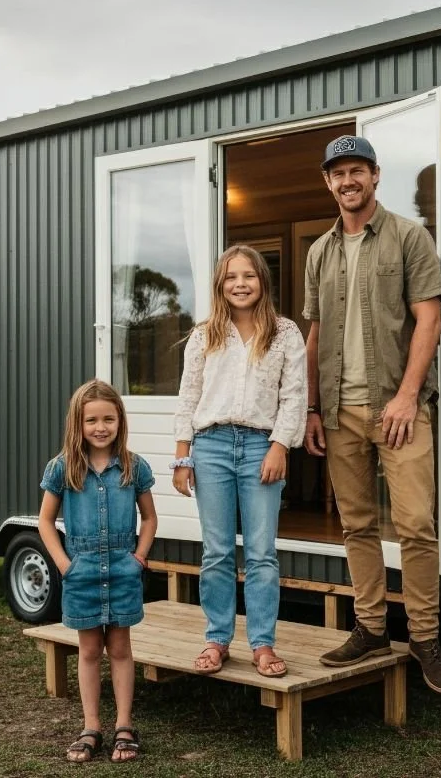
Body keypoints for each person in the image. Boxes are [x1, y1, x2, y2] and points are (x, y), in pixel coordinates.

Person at [303, 135, 441, 694]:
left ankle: (424, 637)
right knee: (357, 525)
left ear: (374, 175)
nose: (348, 182)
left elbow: (429, 321)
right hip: (340, 410)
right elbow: (315, 334)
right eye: (337, 173)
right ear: (328, 182)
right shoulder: (319, 251)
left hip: (400, 408)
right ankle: (370, 627)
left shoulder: (409, 237)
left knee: (416, 525)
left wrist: (406, 396)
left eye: (356, 171)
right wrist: (313, 407)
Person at [173, 245, 307, 679]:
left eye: (248, 275)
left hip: (260, 447)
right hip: (210, 447)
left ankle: (263, 644)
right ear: (220, 284)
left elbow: (294, 397)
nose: (240, 284)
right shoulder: (205, 334)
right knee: (215, 551)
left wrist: (280, 445)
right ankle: (216, 639)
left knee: (262, 552)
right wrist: (182, 456)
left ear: (262, 282)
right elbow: (189, 395)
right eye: (231, 277)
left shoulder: (285, 333)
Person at [39, 379, 158, 762]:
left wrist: (138, 556)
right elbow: (45, 521)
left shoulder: (134, 466)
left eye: (109, 418)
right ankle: (92, 727)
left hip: (123, 569)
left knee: (120, 648)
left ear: (120, 421)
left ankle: (125, 725)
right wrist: (64, 564)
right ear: (78, 423)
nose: (101, 427)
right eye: (92, 420)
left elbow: (150, 518)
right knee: (89, 651)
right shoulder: (62, 468)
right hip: (82, 571)